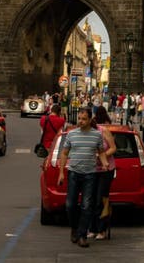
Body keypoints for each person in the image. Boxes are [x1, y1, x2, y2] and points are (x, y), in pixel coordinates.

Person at [57, 107, 109, 249]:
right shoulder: (71, 134)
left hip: (90, 175)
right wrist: (61, 172)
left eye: (84, 119)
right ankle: (74, 228)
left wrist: (105, 163)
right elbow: (64, 153)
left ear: (90, 119)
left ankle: (82, 235)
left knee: (87, 205)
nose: (81, 121)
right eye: (79, 118)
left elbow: (101, 152)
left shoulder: (97, 135)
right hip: (73, 173)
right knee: (70, 205)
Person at [88, 106, 116, 241]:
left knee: (101, 198)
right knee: (91, 198)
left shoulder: (103, 131)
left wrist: (101, 155)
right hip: (92, 169)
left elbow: (113, 148)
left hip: (106, 169)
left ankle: (102, 229)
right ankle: (92, 228)